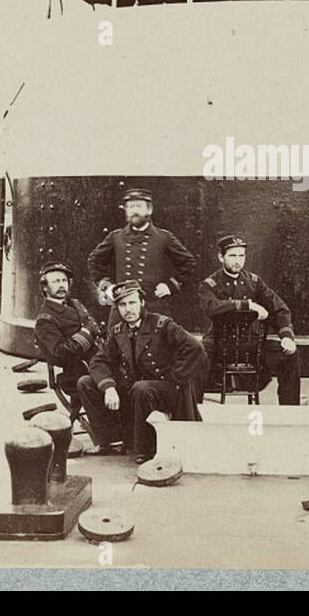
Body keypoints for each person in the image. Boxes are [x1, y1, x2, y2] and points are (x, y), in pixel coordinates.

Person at [78, 281, 205, 463]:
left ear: (142, 303)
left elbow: (195, 348)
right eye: (122, 305)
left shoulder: (161, 324)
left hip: (168, 389)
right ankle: (112, 441)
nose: (128, 309)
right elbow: (100, 361)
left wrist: (176, 377)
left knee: (140, 388)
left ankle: (145, 449)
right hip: (138, 390)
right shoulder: (118, 331)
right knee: (86, 383)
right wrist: (108, 387)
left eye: (132, 303)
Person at [198, 234, 301, 405]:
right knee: (196, 354)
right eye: (232, 256)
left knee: (290, 355)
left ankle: (289, 410)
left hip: (252, 345)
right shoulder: (210, 284)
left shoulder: (254, 282)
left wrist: (287, 337)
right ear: (221, 257)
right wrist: (247, 305)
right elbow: (211, 306)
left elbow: (280, 310)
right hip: (221, 345)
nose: (237, 261)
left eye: (241, 255)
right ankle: (192, 413)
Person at [87, 188, 197, 330]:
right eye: (130, 207)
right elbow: (94, 260)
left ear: (149, 210)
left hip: (153, 306)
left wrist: (170, 286)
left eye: (138, 206)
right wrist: (106, 285)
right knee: (117, 347)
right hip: (122, 307)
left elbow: (188, 263)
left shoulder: (163, 237)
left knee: (156, 348)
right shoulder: (116, 237)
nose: (134, 211)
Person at [32, 261, 102, 417]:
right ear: (45, 287)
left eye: (64, 280)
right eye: (56, 281)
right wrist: (86, 333)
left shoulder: (75, 304)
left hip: (95, 363)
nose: (61, 285)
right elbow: (61, 353)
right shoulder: (45, 319)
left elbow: (95, 328)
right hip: (76, 373)